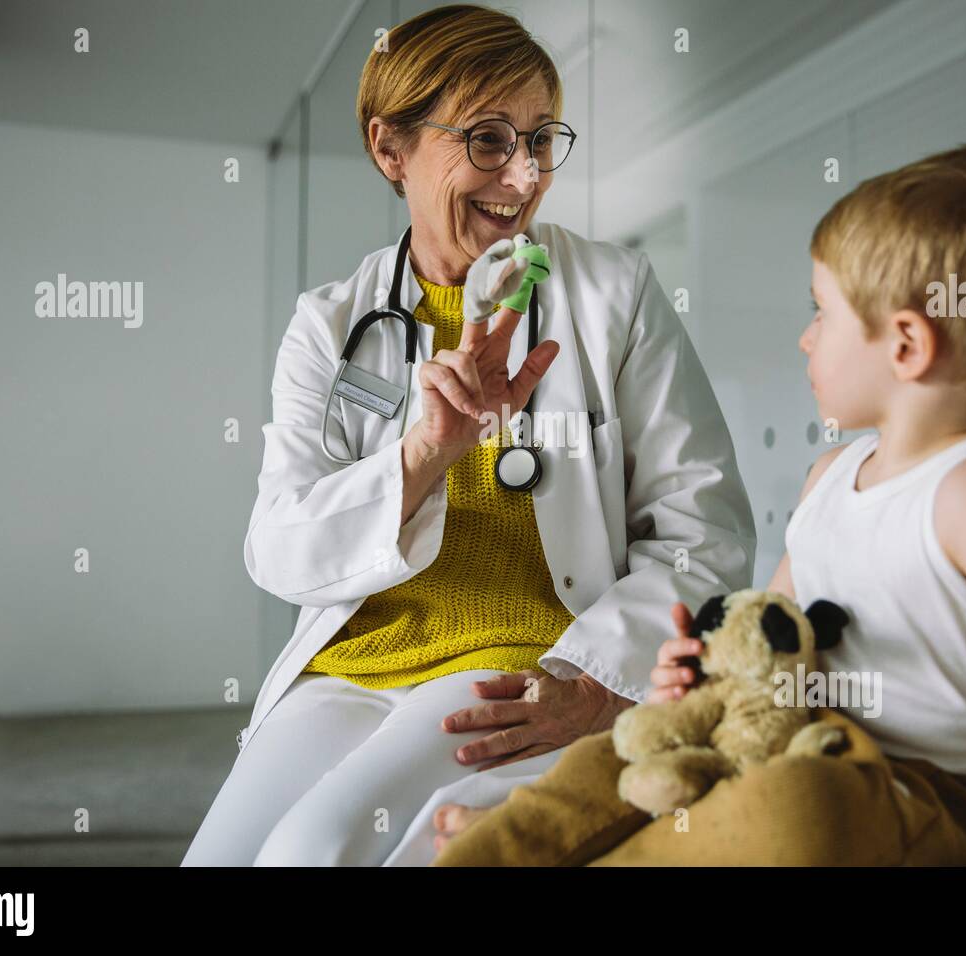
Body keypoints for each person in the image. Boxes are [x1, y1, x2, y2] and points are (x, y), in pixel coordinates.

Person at [430, 144, 966, 866]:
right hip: (787, 733)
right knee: (622, 747)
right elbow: (770, 634)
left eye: (822, 312)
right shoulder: (832, 474)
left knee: (795, 812)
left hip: (905, 790)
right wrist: (698, 677)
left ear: (908, 346)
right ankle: (515, 842)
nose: (804, 338)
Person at [181, 4, 754, 866]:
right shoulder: (329, 322)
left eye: (540, 139)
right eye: (487, 140)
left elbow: (703, 533)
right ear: (391, 149)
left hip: (516, 665)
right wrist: (424, 456)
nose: (522, 176)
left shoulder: (614, 294)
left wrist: (597, 684)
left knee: (313, 849)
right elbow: (280, 548)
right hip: (348, 666)